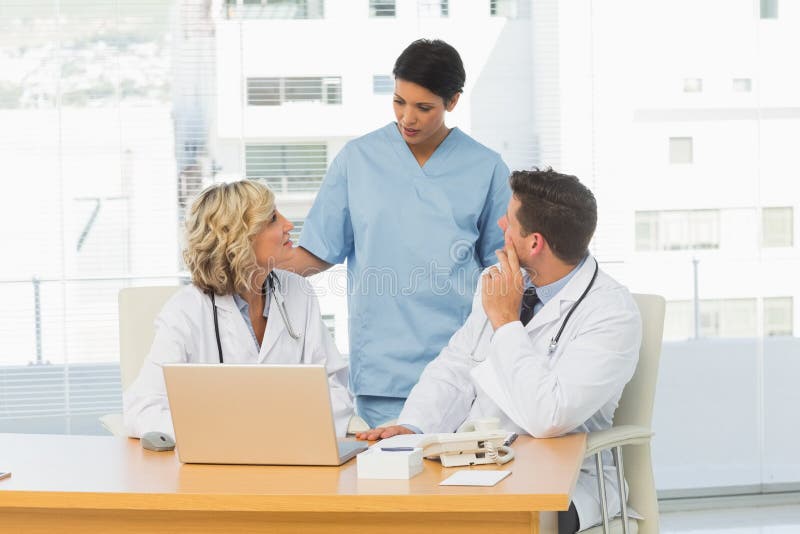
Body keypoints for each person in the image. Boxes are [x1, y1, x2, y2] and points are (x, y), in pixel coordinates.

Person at [356, 169, 642, 533]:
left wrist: (506, 322)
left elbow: (548, 417)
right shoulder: (500, 282)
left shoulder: (610, 313)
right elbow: (457, 365)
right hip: (475, 465)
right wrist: (413, 427)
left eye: (510, 220)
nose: (501, 223)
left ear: (535, 243)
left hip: (562, 480)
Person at [279, 39, 511, 428]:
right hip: (382, 375)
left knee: (457, 485)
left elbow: (502, 270)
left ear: (452, 101)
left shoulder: (486, 168)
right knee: (385, 482)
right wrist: (244, 271)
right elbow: (318, 252)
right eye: (399, 101)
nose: (408, 118)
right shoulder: (358, 159)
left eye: (423, 107)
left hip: (460, 369)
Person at [123, 180, 354, 439]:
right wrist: (230, 430)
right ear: (238, 237)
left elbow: (335, 390)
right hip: (217, 466)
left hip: (292, 455)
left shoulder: (299, 292)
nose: (289, 225)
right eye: (273, 219)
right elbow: (142, 409)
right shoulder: (186, 310)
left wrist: (265, 428)